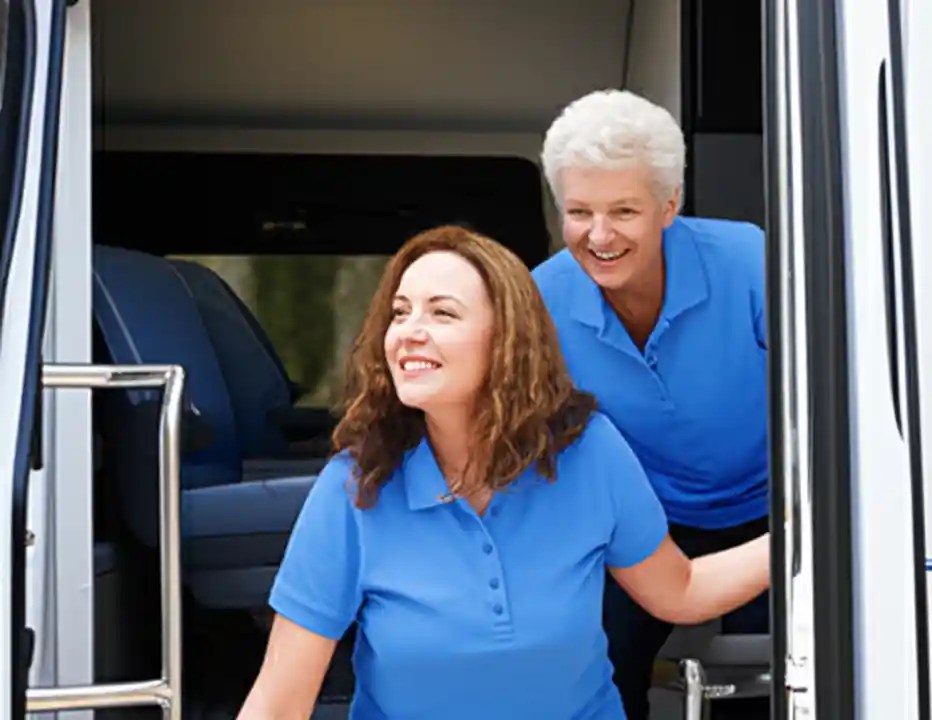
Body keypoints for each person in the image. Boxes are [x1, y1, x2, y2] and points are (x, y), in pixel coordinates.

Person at [236, 225, 769, 719]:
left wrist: (799, 531)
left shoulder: (590, 452)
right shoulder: (355, 485)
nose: (410, 332)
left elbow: (681, 590)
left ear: (505, 341)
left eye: (442, 313)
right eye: (400, 312)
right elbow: (279, 704)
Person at [532, 89, 771, 719]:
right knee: (592, 670)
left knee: (767, 683)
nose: (599, 235)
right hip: (637, 520)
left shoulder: (749, 262)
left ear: (669, 205)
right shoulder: (539, 300)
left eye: (624, 211)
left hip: (771, 513)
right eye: (579, 212)